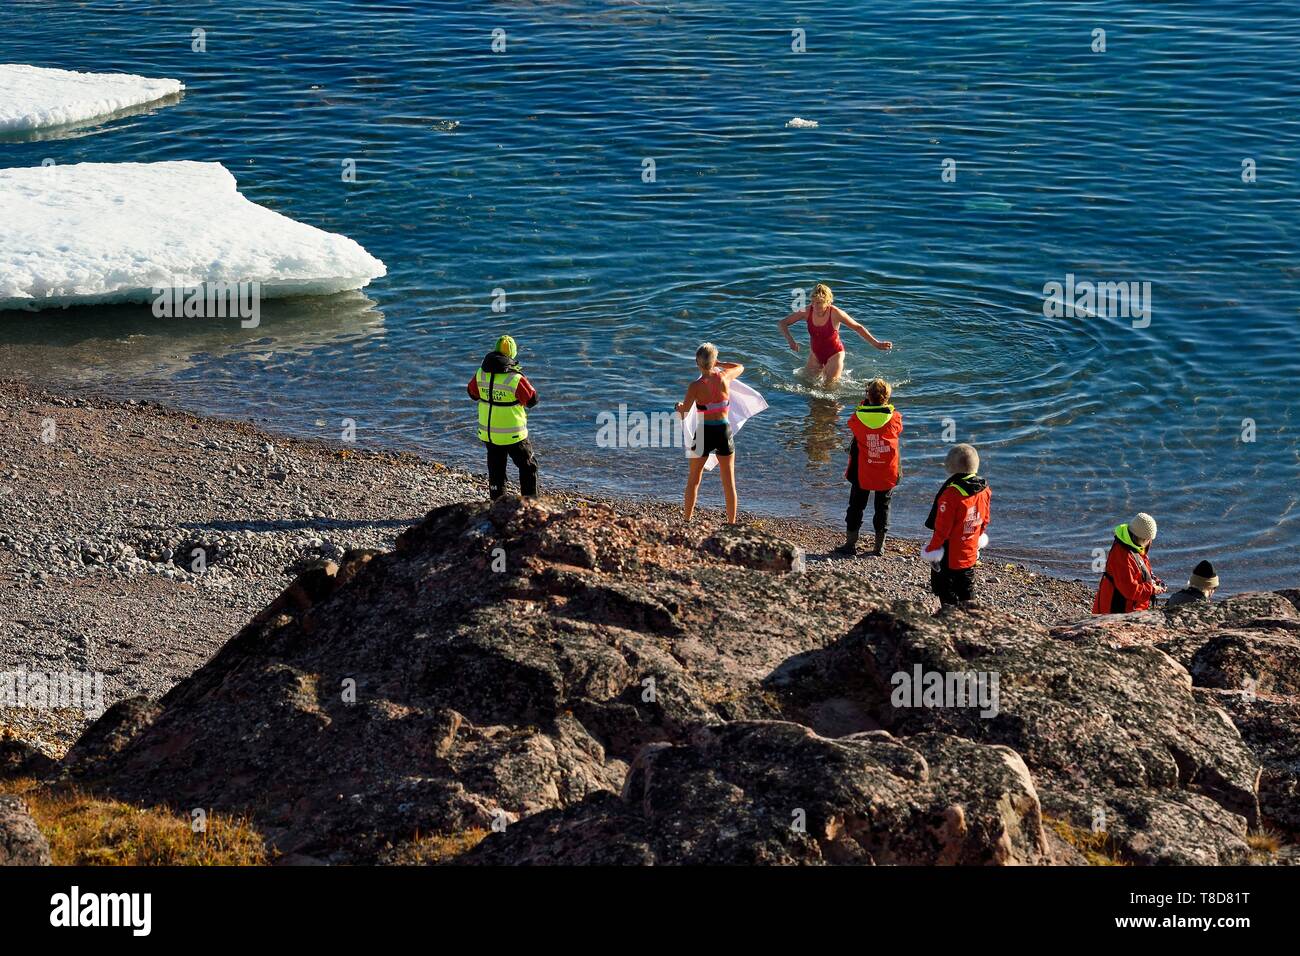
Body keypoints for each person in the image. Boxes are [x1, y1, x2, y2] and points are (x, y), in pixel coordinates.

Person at [676, 343, 744, 524]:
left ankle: (687, 520)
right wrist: (720, 363)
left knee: (694, 479)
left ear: (697, 363)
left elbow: (684, 413)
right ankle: (731, 523)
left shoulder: (695, 386)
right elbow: (740, 367)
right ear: (714, 361)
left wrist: (678, 408)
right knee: (729, 482)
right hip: (723, 431)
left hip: (704, 432)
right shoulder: (725, 377)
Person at [778, 283, 892, 389]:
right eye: (812, 302)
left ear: (828, 302)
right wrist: (790, 341)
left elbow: (858, 327)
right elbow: (783, 323)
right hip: (815, 354)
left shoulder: (836, 313)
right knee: (805, 384)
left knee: (829, 390)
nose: (814, 305)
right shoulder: (807, 311)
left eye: (818, 303)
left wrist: (876, 343)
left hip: (834, 354)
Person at [834, 378, 901, 557]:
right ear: (887, 397)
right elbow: (898, 427)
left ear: (867, 396)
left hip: (863, 471)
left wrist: (863, 405)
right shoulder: (895, 417)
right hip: (887, 472)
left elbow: (852, 424)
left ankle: (850, 544)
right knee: (883, 508)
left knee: (856, 506)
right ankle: (879, 547)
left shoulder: (858, 417)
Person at [467, 334, 539, 500]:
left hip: (489, 433)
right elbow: (532, 400)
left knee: (496, 470)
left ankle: (497, 503)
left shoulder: (480, 374)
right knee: (528, 467)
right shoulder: (515, 378)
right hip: (513, 434)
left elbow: (472, 393)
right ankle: (530, 504)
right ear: (512, 354)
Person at [921, 443, 991, 606]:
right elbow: (985, 519)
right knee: (967, 587)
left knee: (945, 589)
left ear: (950, 467)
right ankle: (971, 617)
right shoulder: (984, 489)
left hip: (949, 553)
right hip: (970, 549)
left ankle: (950, 616)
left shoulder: (951, 494)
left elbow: (942, 529)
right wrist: (977, 539)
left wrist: (932, 549)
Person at [1091, 513, 1166, 614]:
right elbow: (1130, 590)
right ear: (1144, 539)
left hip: (1128, 608)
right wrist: (1152, 589)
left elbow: (1141, 572)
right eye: (1149, 540)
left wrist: (1154, 581)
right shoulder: (1124, 556)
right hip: (1115, 610)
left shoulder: (1133, 546)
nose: (1150, 543)